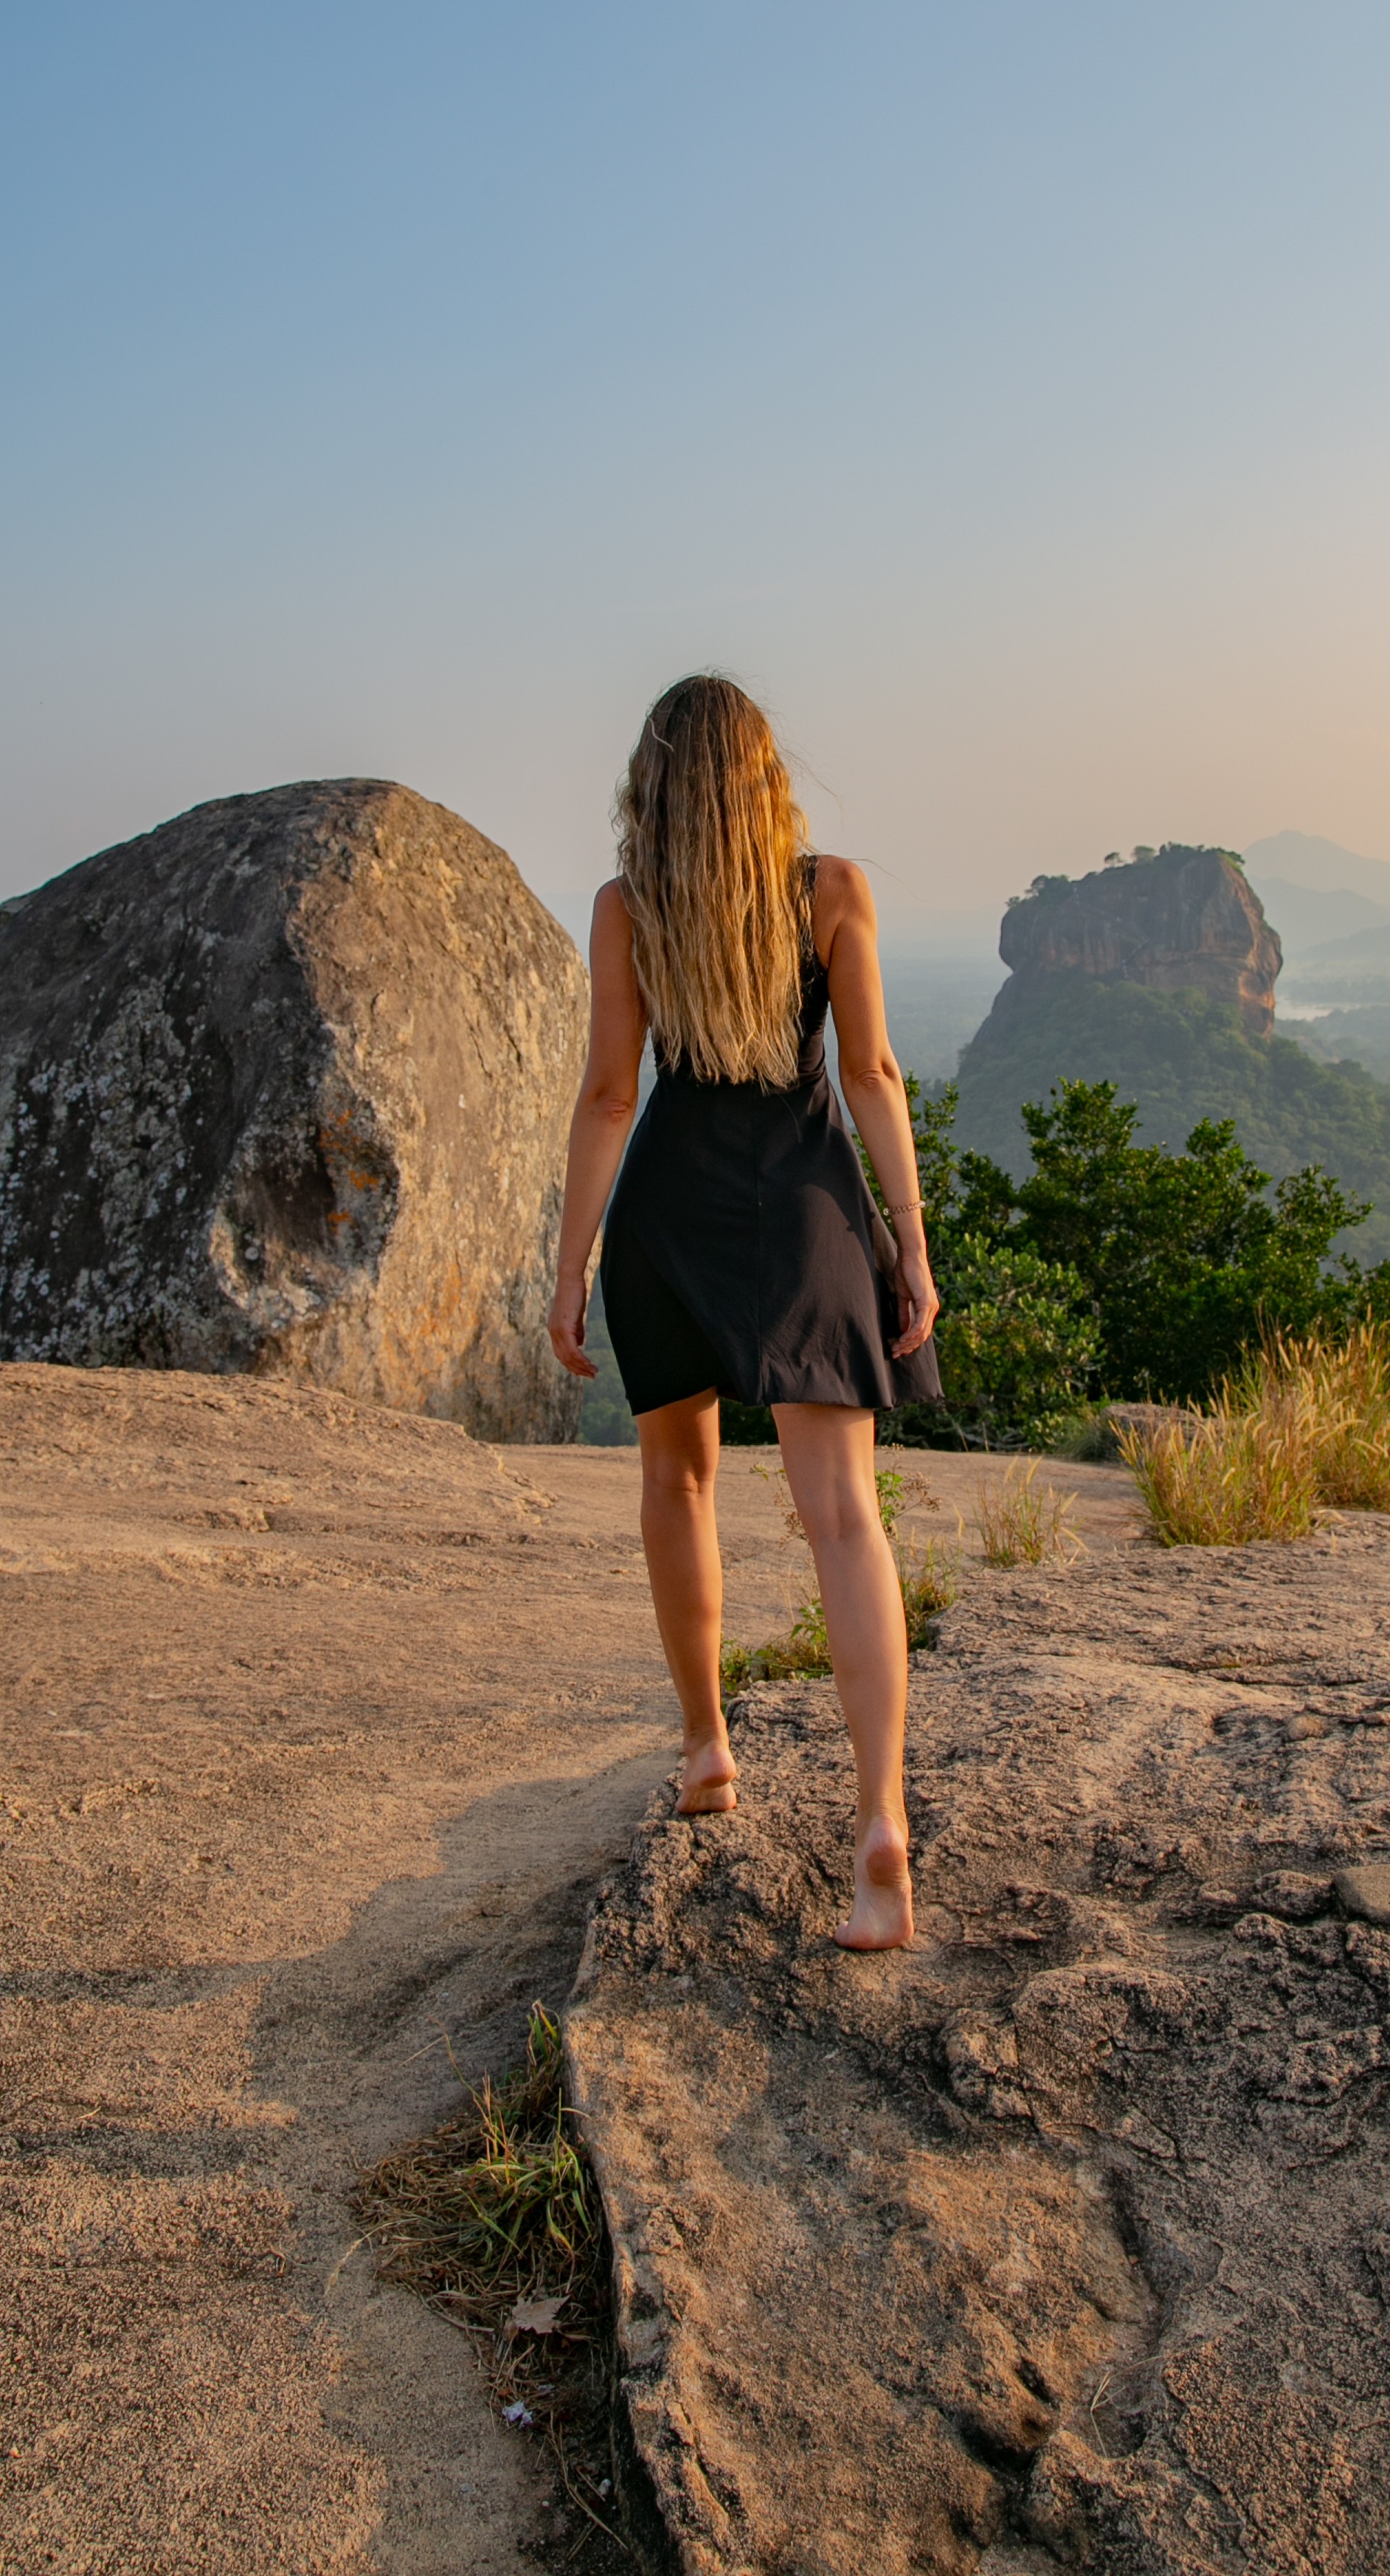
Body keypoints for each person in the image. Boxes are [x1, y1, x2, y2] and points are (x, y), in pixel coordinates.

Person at [546, 675, 943, 1951]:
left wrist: (569, 1267)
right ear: (767, 776)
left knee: (680, 1485)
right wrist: (912, 1246)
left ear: (651, 788)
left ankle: (708, 1748)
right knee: (842, 1516)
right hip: (810, 1208)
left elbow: (612, 1095)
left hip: (669, 1211)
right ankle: (878, 1823)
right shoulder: (833, 890)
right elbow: (872, 1073)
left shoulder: (629, 907)